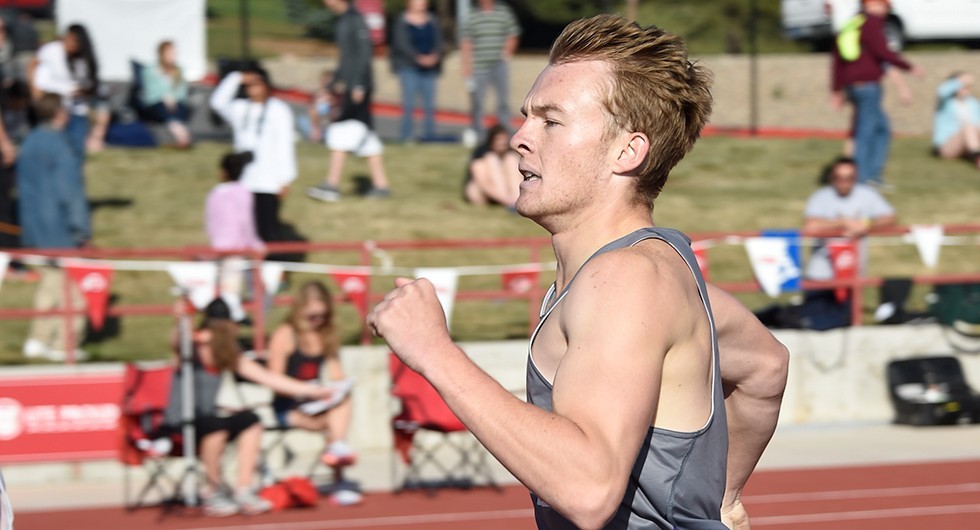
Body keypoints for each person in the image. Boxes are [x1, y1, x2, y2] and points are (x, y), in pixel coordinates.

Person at [368, 14, 789, 530]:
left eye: (550, 120)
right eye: (525, 117)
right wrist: (720, 501)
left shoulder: (624, 281)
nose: (519, 137)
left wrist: (435, 353)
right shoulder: (656, 269)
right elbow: (765, 365)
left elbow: (588, 490)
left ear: (627, 151)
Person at [162, 298, 336, 517]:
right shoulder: (193, 345)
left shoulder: (227, 352)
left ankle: (243, 488)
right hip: (183, 420)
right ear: (226, 326)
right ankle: (212, 489)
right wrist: (181, 320)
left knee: (250, 420)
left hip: (210, 418)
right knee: (215, 426)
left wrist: (314, 391)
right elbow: (179, 342)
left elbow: (267, 378)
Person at [16, 92, 89, 362]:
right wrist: (80, 230)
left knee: (50, 285)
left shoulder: (29, 141)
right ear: (60, 113)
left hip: (34, 226)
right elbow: (70, 191)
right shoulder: (60, 145)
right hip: (60, 227)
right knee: (74, 291)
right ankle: (63, 344)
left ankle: (38, 339)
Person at [830, 0, 922, 187]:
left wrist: (836, 89)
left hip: (853, 86)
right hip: (868, 87)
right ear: (871, 5)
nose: (885, 10)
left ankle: (872, 175)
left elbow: (837, 60)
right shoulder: (872, 23)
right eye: (883, 5)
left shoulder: (853, 24)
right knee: (866, 132)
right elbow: (883, 52)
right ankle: (861, 180)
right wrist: (909, 67)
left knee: (882, 130)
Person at [307, 0, 390, 202]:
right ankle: (381, 185)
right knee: (366, 136)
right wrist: (330, 86)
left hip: (359, 87)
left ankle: (331, 185)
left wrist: (358, 84)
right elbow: (345, 60)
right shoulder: (344, 20)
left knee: (340, 130)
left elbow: (364, 53)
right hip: (353, 85)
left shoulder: (355, 19)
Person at [267, 281, 356, 468]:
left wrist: (333, 389)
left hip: (314, 402)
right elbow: (274, 381)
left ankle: (337, 450)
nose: (318, 321)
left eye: (323, 316)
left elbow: (336, 374)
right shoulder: (285, 334)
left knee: (343, 401)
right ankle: (337, 456)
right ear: (300, 310)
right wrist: (310, 391)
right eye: (313, 316)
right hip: (288, 404)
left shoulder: (325, 334)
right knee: (334, 424)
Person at [209, 67, 296, 246]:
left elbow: (285, 145)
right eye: (249, 85)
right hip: (244, 182)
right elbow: (218, 103)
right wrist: (236, 77)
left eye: (257, 84)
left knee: (268, 230)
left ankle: (274, 270)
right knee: (244, 229)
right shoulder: (241, 108)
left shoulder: (279, 110)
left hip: (269, 182)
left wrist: (285, 178)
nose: (253, 89)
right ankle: (250, 270)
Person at [803, 156, 896, 282]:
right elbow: (810, 226)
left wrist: (866, 224)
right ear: (832, 178)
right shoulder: (820, 197)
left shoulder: (867, 194)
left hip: (853, 273)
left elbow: (890, 218)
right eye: (839, 178)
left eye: (849, 178)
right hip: (821, 274)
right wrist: (843, 223)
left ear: (856, 177)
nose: (844, 183)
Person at [30, 24, 110, 156]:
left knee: (75, 149)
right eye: (70, 39)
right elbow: (33, 65)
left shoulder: (83, 60)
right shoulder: (51, 50)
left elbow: (90, 83)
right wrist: (35, 91)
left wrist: (84, 91)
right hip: (54, 105)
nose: (71, 44)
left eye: (75, 41)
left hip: (77, 108)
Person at [205, 152, 264, 322]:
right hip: (237, 245)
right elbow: (246, 221)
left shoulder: (215, 193)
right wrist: (255, 243)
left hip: (220, 244)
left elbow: (210, 221)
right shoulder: (243, 192)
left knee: (227, 279)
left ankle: (232, 310)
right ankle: (235, 312)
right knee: (234, 279)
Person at [459, 0, 521, 144]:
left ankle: (504, 133)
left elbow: (513, 33)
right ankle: (478, 134)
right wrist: (466, 65)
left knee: (503, 101)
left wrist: (507, 53)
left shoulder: (503, 12)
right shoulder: (472, 15)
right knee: (477, 102)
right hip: (479, 66)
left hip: (499, 64)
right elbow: (466, 42)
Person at [389, 0, 443, 143]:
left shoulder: (432, 19)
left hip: (430, 67)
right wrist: (418, 58)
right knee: (408, 104)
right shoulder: (402, 21)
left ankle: (429, 136)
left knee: (429, 105)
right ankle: (407, 136)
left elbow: (439, 40)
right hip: (409, 67)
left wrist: (435, 55)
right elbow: (401, 44)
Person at [140, 40, 191, 148]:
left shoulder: (179, 71)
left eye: (174, 53)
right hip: (156, 105)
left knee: (179, 108)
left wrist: (173, 98)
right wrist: (165, 97)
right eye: (169, 53)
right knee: (162, 107)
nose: (172, 56)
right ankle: (180, 133)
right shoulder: (150, 71)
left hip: (176, 104)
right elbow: (150, 93)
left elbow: (182, 92)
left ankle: (178, 133)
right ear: (161, 54)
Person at [463, 123, 521, 208]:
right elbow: (483, 183)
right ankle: (508, 200)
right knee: (492, 159)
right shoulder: (482, 155)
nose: (502, 143)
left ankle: (516, 198)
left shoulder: (509, 155)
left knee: (510, 159)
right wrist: (505, 199)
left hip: (507, 191)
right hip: (483, 191)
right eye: (498, 139)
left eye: (503, 139)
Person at [932, 72, 980, 169]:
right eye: (961, 86)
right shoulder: (945, 102)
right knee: (968, 127)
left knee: (972, 127)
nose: (964, 89)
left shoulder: (974, 103)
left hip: (969, 144)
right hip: (947, 145)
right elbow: (941, 91)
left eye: (966, 86)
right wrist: (959, 81)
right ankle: (978, 158)